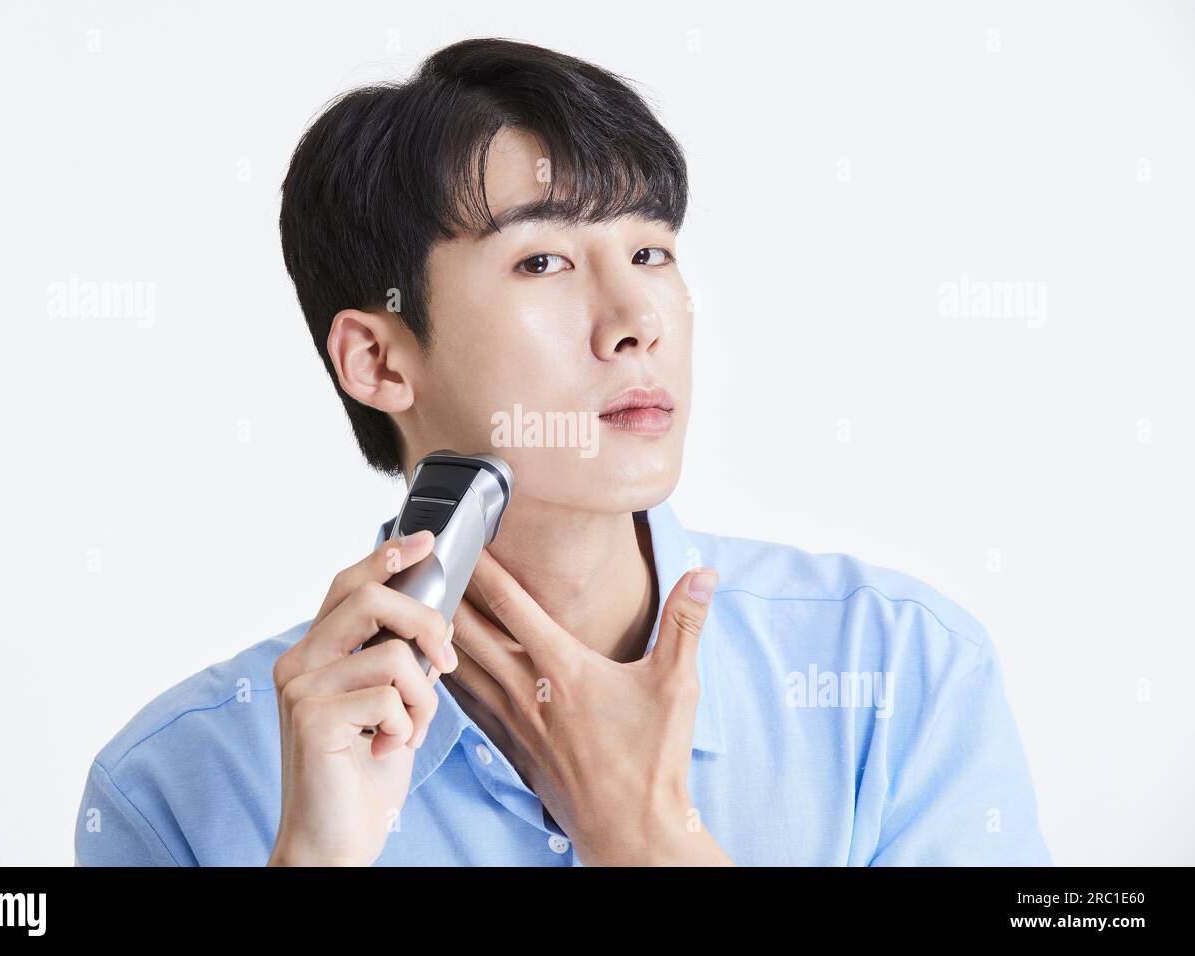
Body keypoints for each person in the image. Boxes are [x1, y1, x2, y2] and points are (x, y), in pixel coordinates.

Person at [74, 37, 1052, 866]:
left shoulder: (894, 672)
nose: (634, 320)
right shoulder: (175, 785)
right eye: (542, 261)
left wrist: (649, 836)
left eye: (650, 252)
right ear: (377, 357)